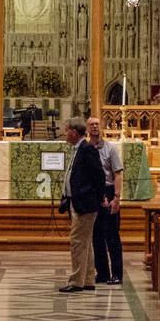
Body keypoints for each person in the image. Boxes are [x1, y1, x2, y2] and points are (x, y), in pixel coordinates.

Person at [58, 117, 104, 292]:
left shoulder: (87, 149)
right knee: (86, 243)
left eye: (66, 129)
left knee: (77, 242)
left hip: (85, 203)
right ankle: (88, 279)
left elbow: (99, 176)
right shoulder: (78, 149)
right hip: (78, 201)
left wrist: (96, 199)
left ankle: (76, 281)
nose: (64, 133)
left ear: (74, 132)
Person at [87, 116, 124, 285]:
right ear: (87, 129)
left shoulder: (110, 149)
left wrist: (116, 197)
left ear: (101, 127)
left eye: (97, 124)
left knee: (112, 236)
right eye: (91, 125)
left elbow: (117, 173)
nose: (95, 127)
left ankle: (117, 274)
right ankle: (102, 273)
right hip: (94, 194)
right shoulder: (86, 150)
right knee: (97, 236)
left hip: (109, 191)